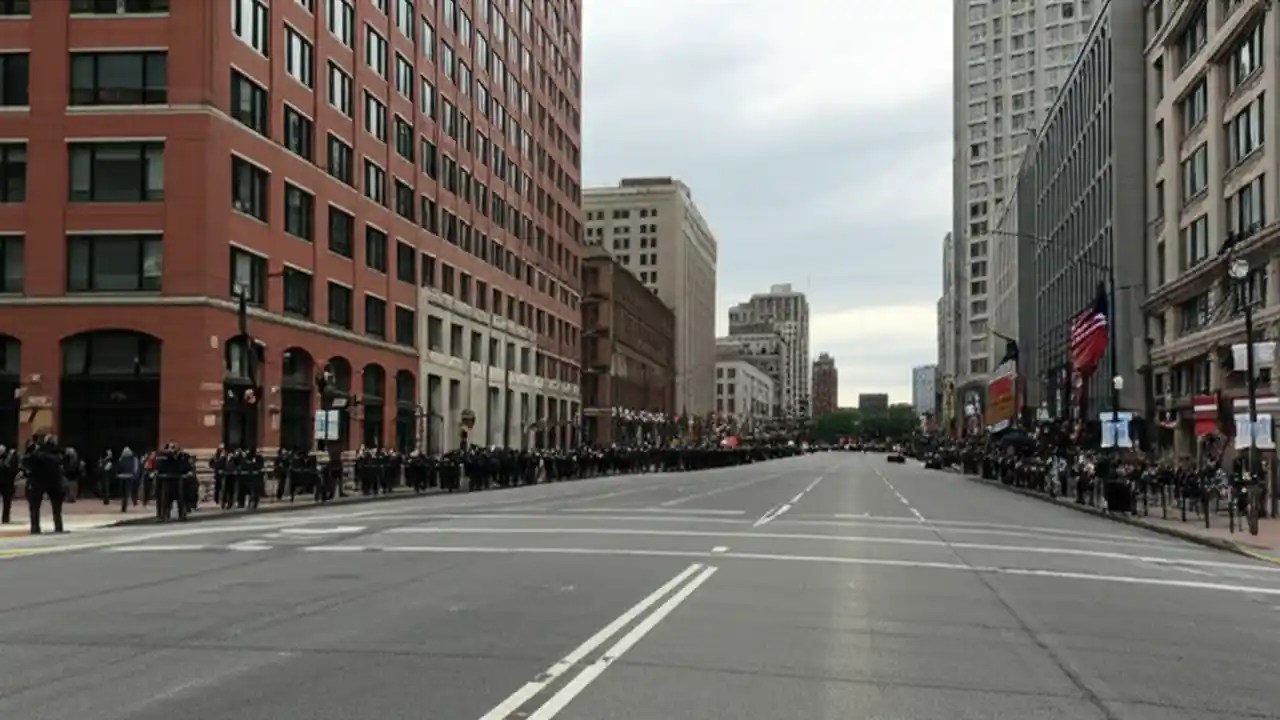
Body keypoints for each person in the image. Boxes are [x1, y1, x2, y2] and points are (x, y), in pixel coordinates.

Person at [23, 433, 67, 534]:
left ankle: (35, 528)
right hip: (51, 481)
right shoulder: (56, 453)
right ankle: (58, 526)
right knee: (56, 507)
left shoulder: (36, 452)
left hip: (38, 481)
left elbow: (26, 462)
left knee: (35, 507)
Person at [0, 444, 16, 524]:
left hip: (7, 484)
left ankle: (5, 518)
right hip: (4, 483)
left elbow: (12, 470)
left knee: (7, 502)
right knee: (7, 502)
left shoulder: (8, 459)